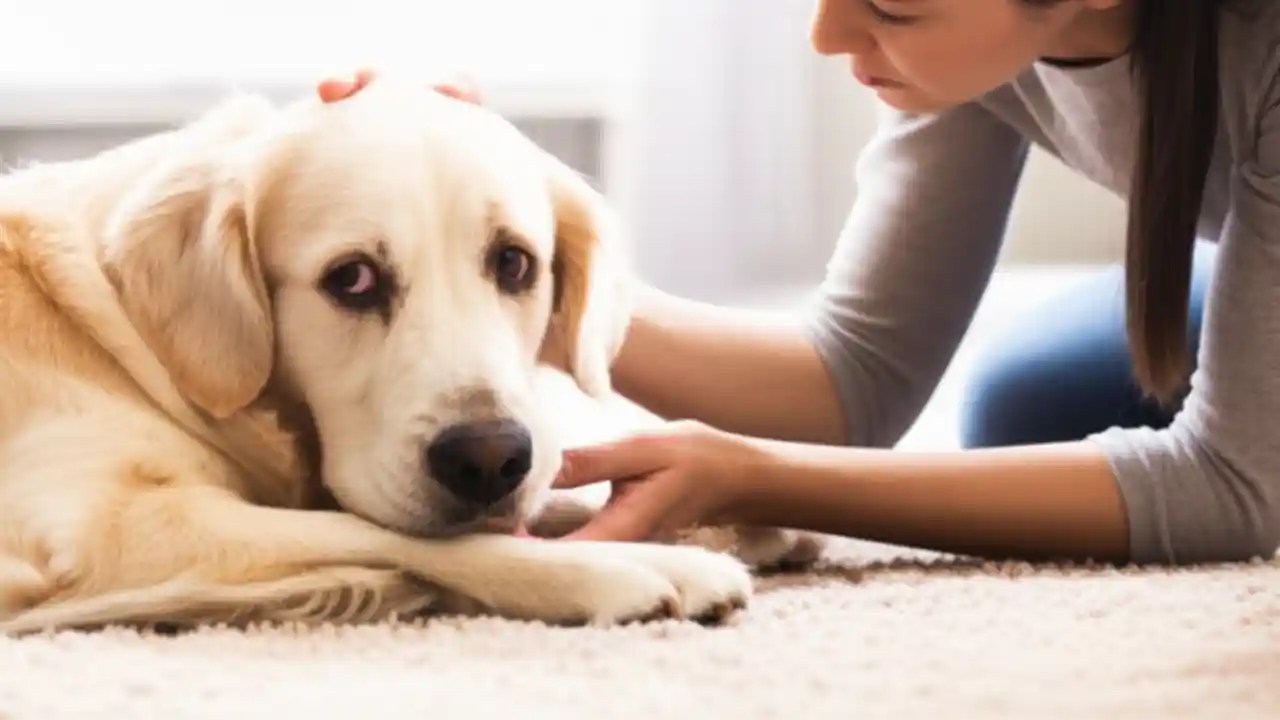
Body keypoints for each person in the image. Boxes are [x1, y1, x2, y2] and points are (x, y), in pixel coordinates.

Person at [320, 0, 1280, 566]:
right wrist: (513, 245)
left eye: (892, 3)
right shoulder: (975, 53)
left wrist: (757, 477)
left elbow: (1237, 485)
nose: (826, 33)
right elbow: (850, 381)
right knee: (1024, 403)